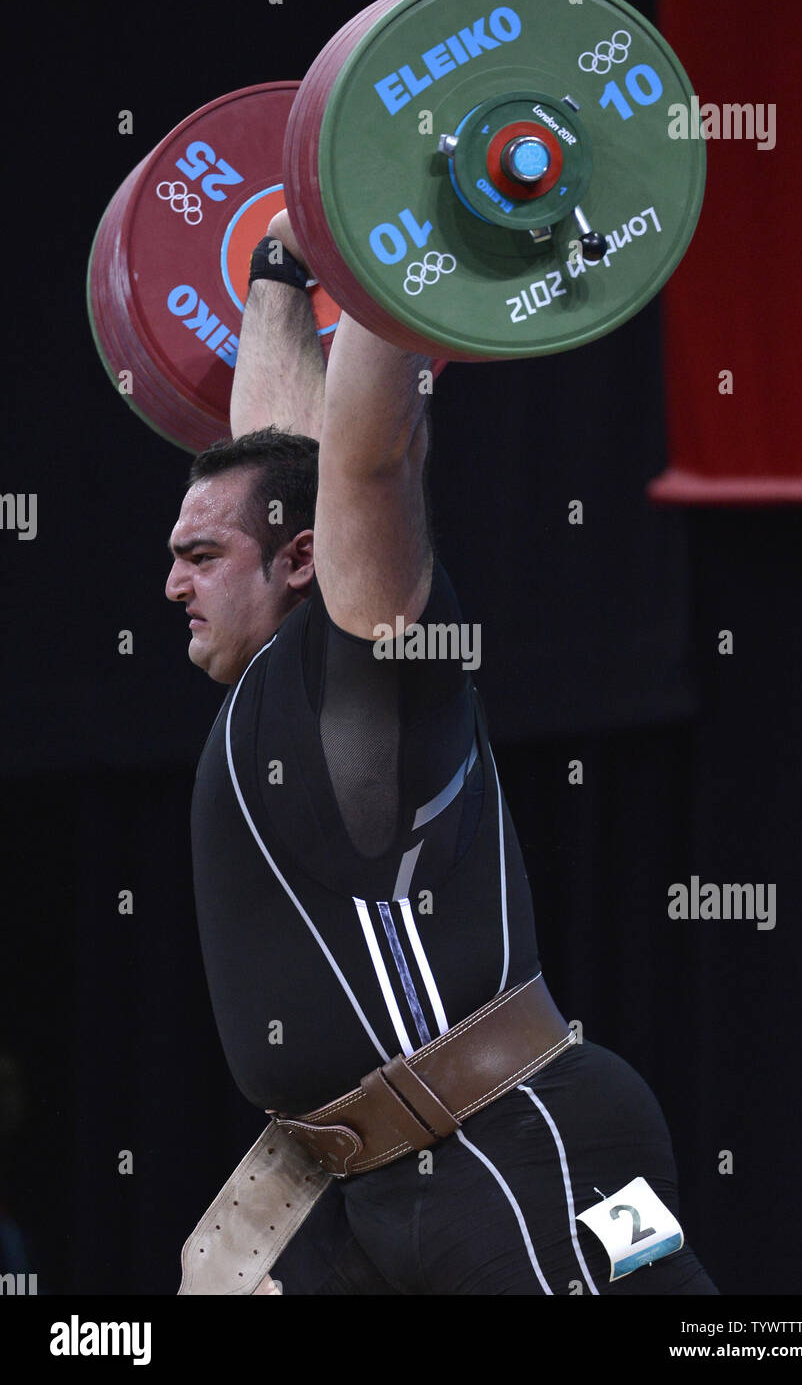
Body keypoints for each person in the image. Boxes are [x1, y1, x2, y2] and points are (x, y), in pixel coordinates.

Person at [165, 211, 719, 1296]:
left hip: (519, 1149)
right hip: (370, 1185)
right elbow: (296, 458)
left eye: (198, 555)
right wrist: (285, 263)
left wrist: (385, 239)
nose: (171, 587)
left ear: (300, 560)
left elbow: (365, 466)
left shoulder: (369, 664)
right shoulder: (287, 682)